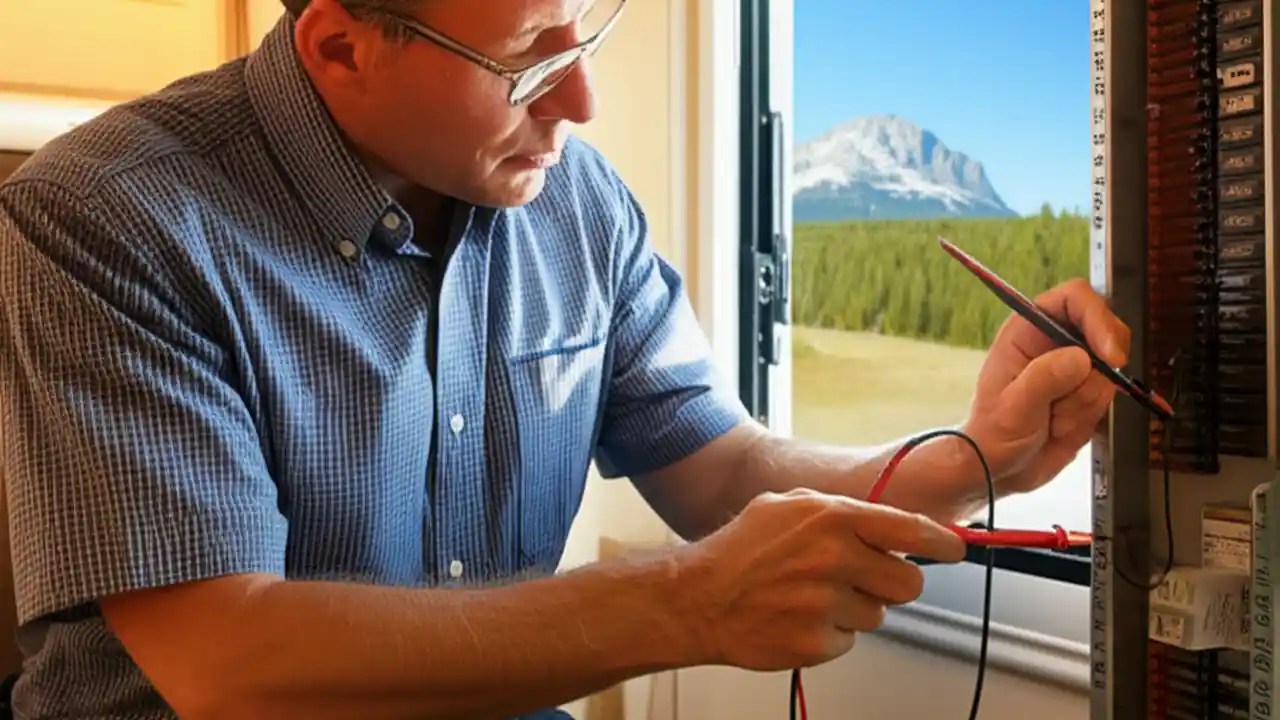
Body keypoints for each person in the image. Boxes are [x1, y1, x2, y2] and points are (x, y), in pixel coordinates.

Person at [0, 0, 1129, 718]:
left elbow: (725, 472)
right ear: (341, 46)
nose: (580, 102)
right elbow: (228, 664)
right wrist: (685, 604)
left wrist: (976, 457)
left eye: (586, 33)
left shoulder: (577, 203)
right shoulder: (107, 217)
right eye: (529, 64)